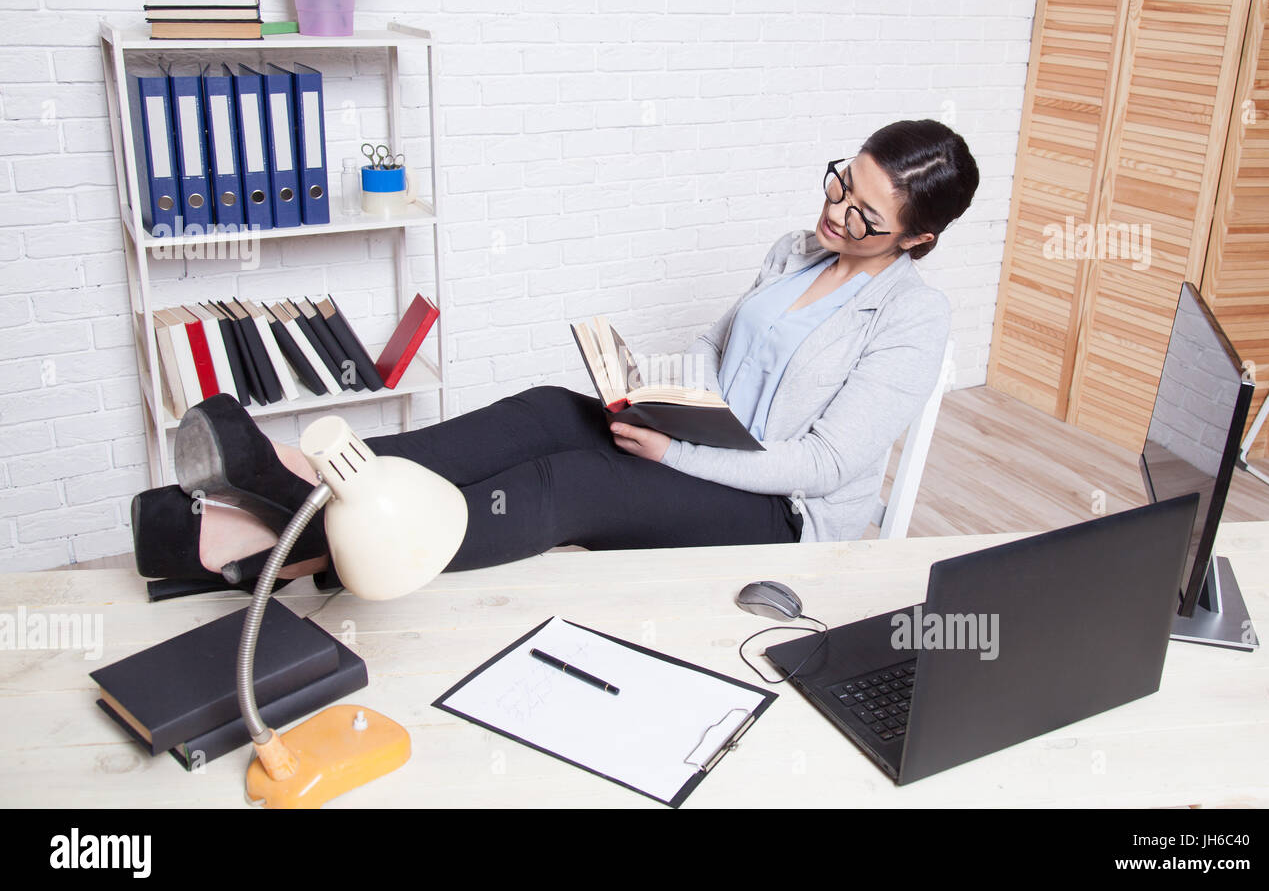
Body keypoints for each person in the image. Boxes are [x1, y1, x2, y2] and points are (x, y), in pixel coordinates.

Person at [131, 119, 979, 593]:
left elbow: (828, 466)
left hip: (775, 516)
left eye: (867, 215)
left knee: (567, 483)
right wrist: (665, 398)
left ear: (920, 239)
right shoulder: (797, 249)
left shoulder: (913, 317)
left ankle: (265, 531)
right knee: (543, 409)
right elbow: (716, 342)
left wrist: (680, 450)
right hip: (697, 440)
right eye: (842, 181)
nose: (838, 213)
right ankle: (299, 484)